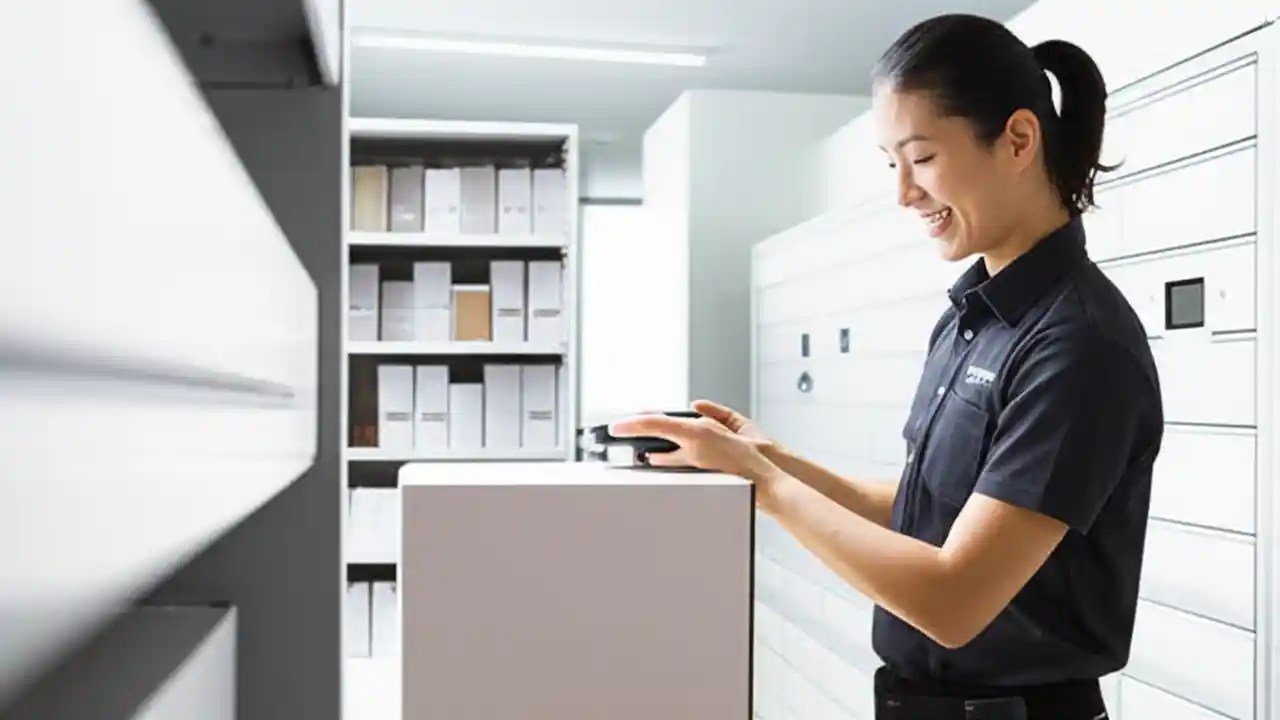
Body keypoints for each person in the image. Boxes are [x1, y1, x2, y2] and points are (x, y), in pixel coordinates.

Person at [609, 13, 1164, 720]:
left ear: (1019, 140)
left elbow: (955, 597)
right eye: (891, 163)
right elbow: (920, 512)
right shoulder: (972, 319)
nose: (904, 193)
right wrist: (767, 457)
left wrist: (766, 486)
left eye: (923, 157)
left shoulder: (1078, 345)